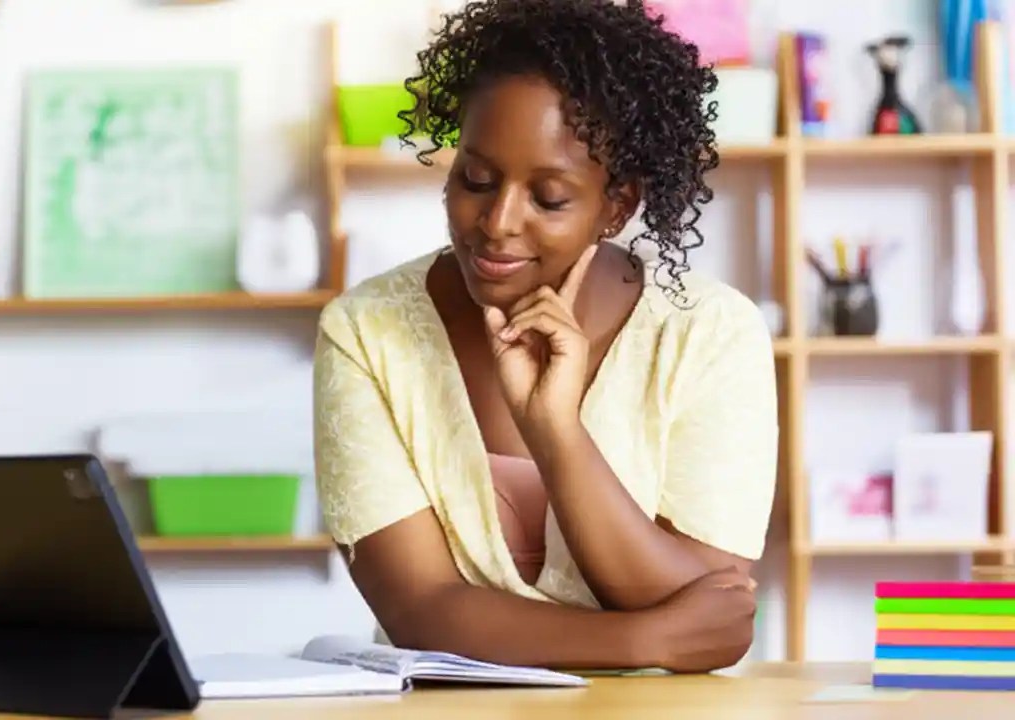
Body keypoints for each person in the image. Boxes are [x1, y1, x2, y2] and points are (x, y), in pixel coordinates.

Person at [313, 0, 777, 674]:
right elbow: (417, 608)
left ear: (616, 205)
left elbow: (713, 607)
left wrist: (557, 433)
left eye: (549, 197)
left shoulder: (708, 335)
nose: (497, 221)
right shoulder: (367, 332)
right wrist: (644, 642)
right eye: (475, 179)